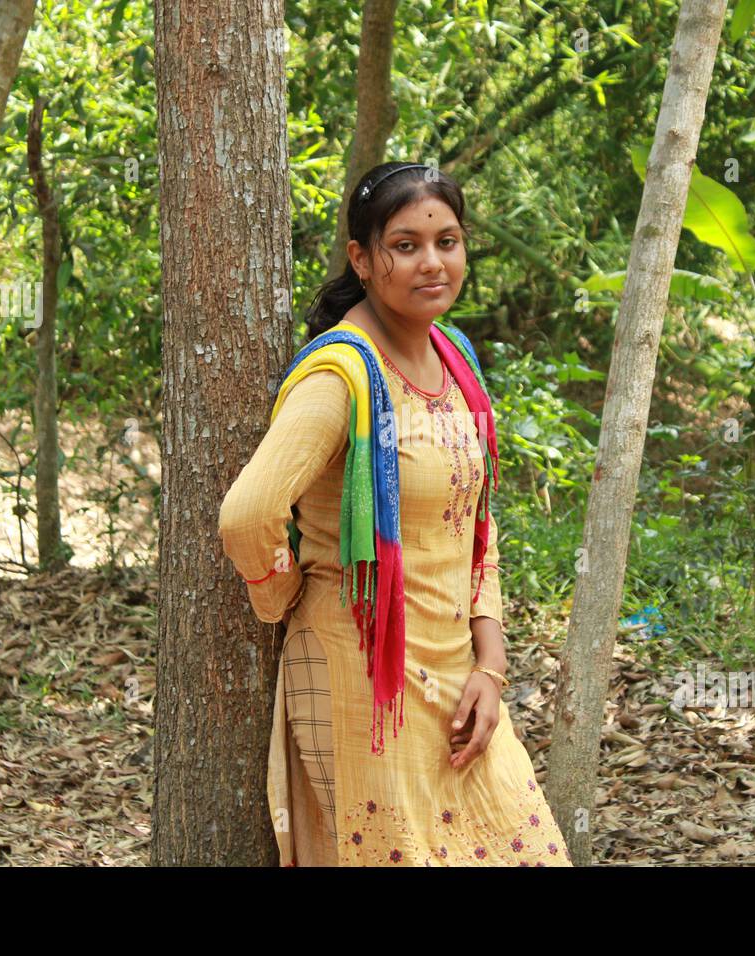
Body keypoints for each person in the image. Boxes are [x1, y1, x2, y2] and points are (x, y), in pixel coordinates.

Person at [218, 162, 572, 866]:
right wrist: (290, 596)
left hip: (457, 679)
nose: (432, 262)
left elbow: (477, 526)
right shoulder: (340, 375)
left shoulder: (455, 358)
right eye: (405, 245)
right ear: (363, 258)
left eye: (448, 241)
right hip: (360, 680)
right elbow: (247, 515)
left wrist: (491, 665)